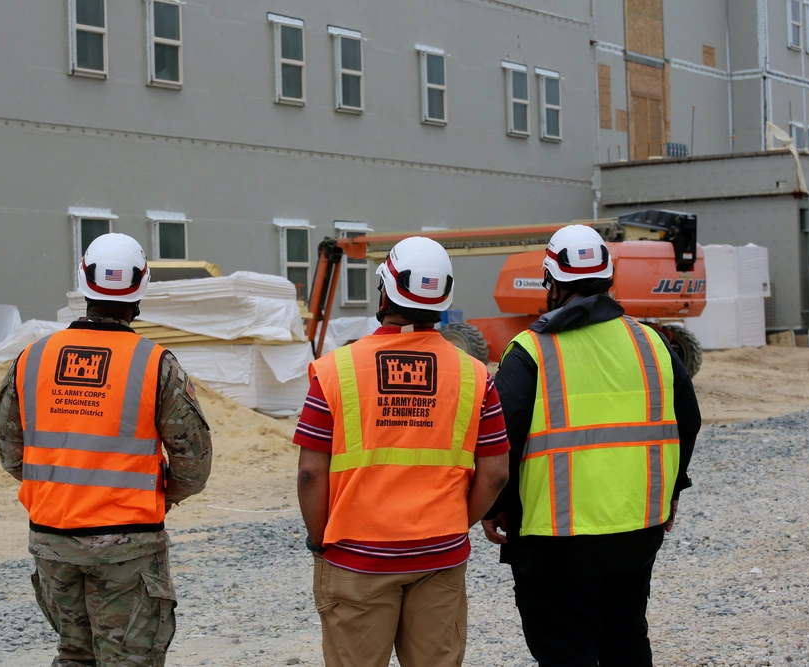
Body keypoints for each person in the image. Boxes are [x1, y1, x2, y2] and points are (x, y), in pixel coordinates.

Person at [480, 225, 701, 666]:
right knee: (626, 638)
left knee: (564, 650)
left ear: (551, 281)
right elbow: (687, 422)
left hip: (553, 542)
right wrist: (673, 490)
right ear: (608, 278)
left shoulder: (529, 350)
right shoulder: (652, 343)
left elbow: (502, 438)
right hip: (637, 530)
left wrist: (495, 506)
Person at [0, 233, 212, 667]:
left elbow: (11, 455)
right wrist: (156, 494)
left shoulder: (31, 359)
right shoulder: (155, 364)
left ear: (83, 281)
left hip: (53, 544)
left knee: (75, 655)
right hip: (127, 547)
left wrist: (63, 488)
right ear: (142, 286)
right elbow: (194, 463)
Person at [295, 236, 511, 667]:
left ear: (384, 290)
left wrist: (320, 540)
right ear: (444, 298)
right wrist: (453, 523)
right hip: (440, 556)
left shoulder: (335, 371)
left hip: (355, 557)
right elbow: (495, 474)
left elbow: (310, 474)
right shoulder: (475, 376)